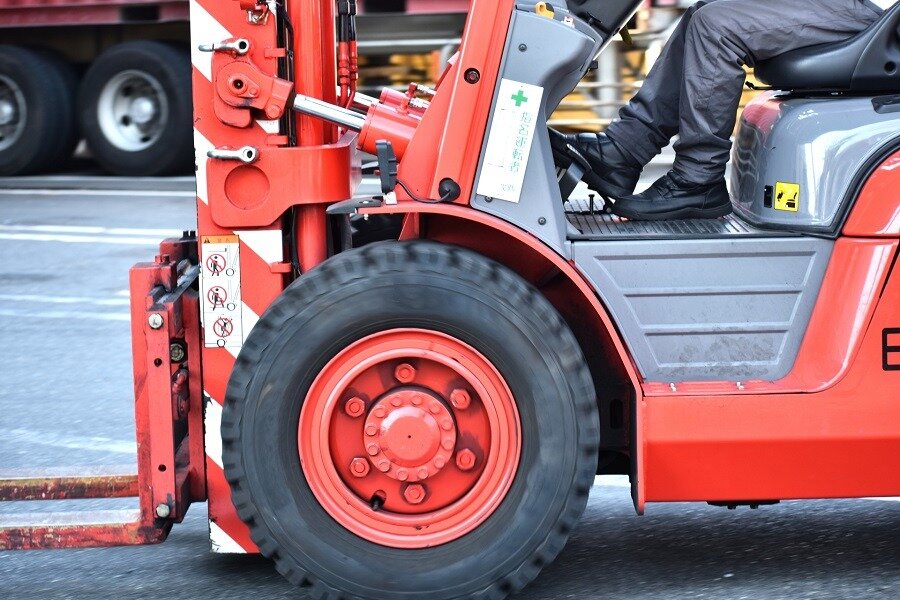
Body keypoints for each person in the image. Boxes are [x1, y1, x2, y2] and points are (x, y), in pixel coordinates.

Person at [570, 0, 894, 220]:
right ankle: (624, 150)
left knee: (715, 25)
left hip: (875, 14)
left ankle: (698, 179)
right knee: (702, 11)